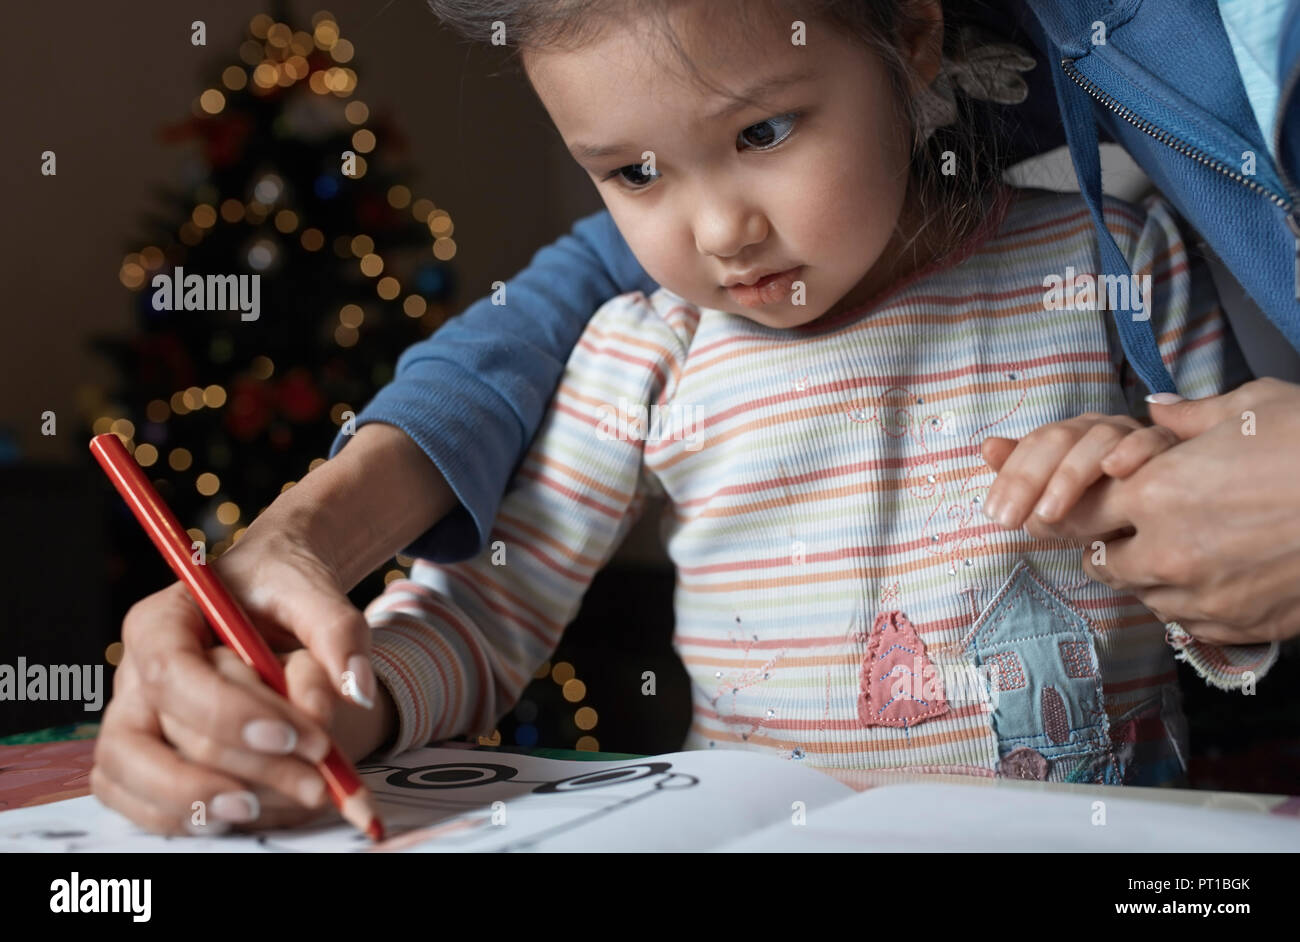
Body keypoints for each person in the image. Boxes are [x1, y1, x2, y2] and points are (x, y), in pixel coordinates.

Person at [94, 0, 1284, 835]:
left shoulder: (1115, 262)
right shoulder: (640, 349)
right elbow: (492, 610)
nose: (717, 232)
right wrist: (351, 699)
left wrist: (1132, 503)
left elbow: (1239, 595)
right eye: (635, 175)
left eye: (762, 134)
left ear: (914, 42)